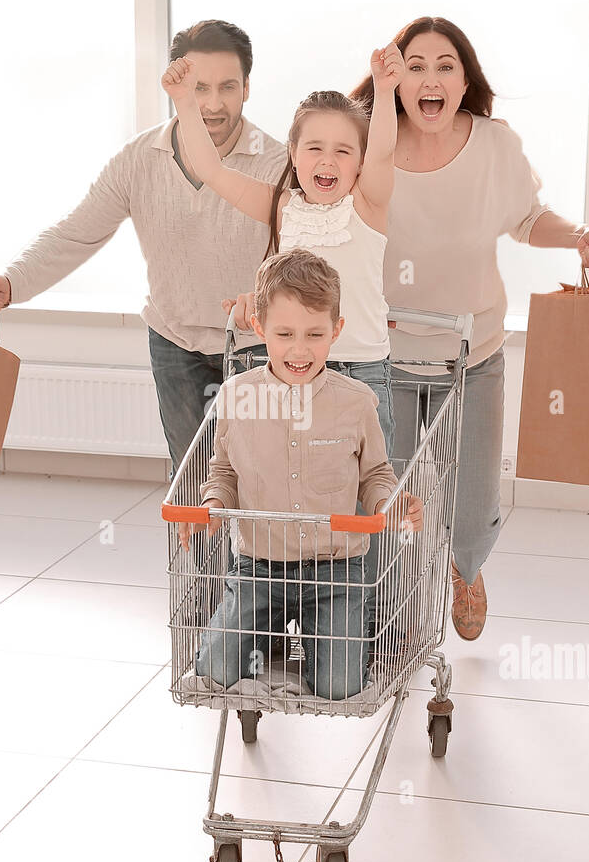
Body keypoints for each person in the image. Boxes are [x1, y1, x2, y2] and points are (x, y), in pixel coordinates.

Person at [349, 15, 589, 641]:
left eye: (446, 66)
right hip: (385, 358)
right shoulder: (368, 141)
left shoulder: (494, 146)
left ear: (465, 81)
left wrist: (577, 237)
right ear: (395, 77)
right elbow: (322, 211)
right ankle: (397, 603)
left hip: (473, 353)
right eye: (416, 66)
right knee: (396, 503)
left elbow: (527, 217)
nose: (431, 79)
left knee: (469, 510)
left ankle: (466, 567)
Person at [0, 20, 287, 472]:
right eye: (199, 88)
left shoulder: (277, 162)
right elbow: (76, 232)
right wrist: (13, 281)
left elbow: (304, 259)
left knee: (258, 481)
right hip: (175, 343)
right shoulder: (140, 159)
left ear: (247, 88)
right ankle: (196, 547)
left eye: (227, 87)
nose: (213, 105)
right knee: (192, 484)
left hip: (259, 349)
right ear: (177, 85)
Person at [180, 249, 422, 701]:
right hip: (259, 566)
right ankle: (267, 634)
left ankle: (326, 636)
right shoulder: (236, 397)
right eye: (285, 333)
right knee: (214, 670)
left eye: (315, 334)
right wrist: (212, 507)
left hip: (335, 570)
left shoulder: (356, 402)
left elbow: (375, 475)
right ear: (259, 328)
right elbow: (222, 471)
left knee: (338, 687)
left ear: (337, 331)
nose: (299, 349)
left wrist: (389, 503)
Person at [162, 43, 405, 457]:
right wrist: (185, 101)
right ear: (293, 154)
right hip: (294, 369)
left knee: (367, 490)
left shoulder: (366, 206)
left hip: (362, 370)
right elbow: (212, 170)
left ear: (360, 162)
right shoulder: (284, 207)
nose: (327, 161)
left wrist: (384, 90)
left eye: (343, 151)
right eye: (314, 148)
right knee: (297, 482)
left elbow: (383, 150)